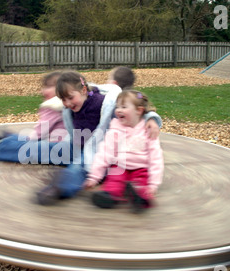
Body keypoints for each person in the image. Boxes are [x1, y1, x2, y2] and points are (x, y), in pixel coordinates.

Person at [36, 71, 162, 205]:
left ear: (84, 90)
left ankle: (59, 187)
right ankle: (10, 142)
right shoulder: (74, 102)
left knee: (78, 168)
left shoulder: (105, 104)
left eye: (70, 98)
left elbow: (133, 108)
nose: (67, 103)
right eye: (63, 100)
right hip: (77, 146)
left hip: (94, 151)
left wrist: (151, 118)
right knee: (37, 149)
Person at [83, 90, 164, 213]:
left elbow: (156, 157)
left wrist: (153, 184)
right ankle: (110, 196)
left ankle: (141, 198)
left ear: (139, 110)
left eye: (124, 107)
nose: (119, 110)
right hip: (119, 166)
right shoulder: (115, 129)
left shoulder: (148, 130)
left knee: (141, 184)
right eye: (118, 107)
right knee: (114, 180)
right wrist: (94, 177)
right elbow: (105, 153)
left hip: (141, 168)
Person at [0, 71, 66, 157]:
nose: (43, 91)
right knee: (20, 139)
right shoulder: (66, 104)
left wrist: (28, 140)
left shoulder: (53, 106)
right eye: (44, 87)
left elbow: (41, 131)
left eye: (49, 87)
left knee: (22, 147)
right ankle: (6, 137)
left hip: (55, 146)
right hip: (58, 142)